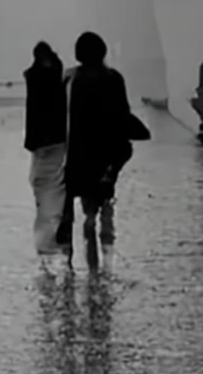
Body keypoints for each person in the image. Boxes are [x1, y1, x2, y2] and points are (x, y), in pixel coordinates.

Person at [59, 30, 134, 248]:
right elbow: (122, 113)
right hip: (105, 147)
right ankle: (99, 218)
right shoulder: (113, 78)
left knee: (71, 189)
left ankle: (69, 232)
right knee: (100, 190)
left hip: (76, 149)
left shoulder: (69, 78)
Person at [23, 41, 68, 254]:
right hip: (56, 138)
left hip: (40, 141)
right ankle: (52, 235)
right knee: (54, 185)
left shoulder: (33, 77)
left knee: (42, 184)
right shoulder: (56, 76)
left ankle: (45, 239)